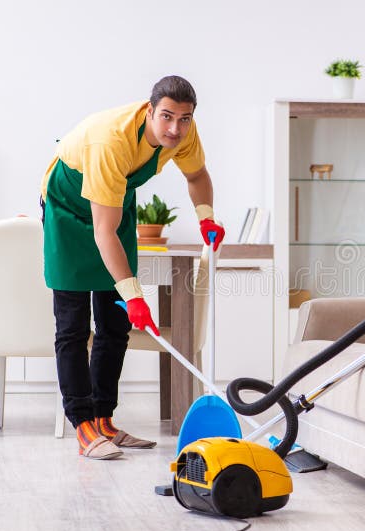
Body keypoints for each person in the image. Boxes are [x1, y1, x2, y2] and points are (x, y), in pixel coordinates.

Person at [40, 75, 225, 460]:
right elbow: (102, 233)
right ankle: (83, 425)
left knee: (115, 324)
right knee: (73, 326)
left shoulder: (182, 132)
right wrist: (135, 295)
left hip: (113, 204)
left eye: (185, 118)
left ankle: (104, 419)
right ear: (148, 110)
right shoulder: (111, 142)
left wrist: (206, 216)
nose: (176, 128)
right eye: (167, 117)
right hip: (68, 209)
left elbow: (197, 175)